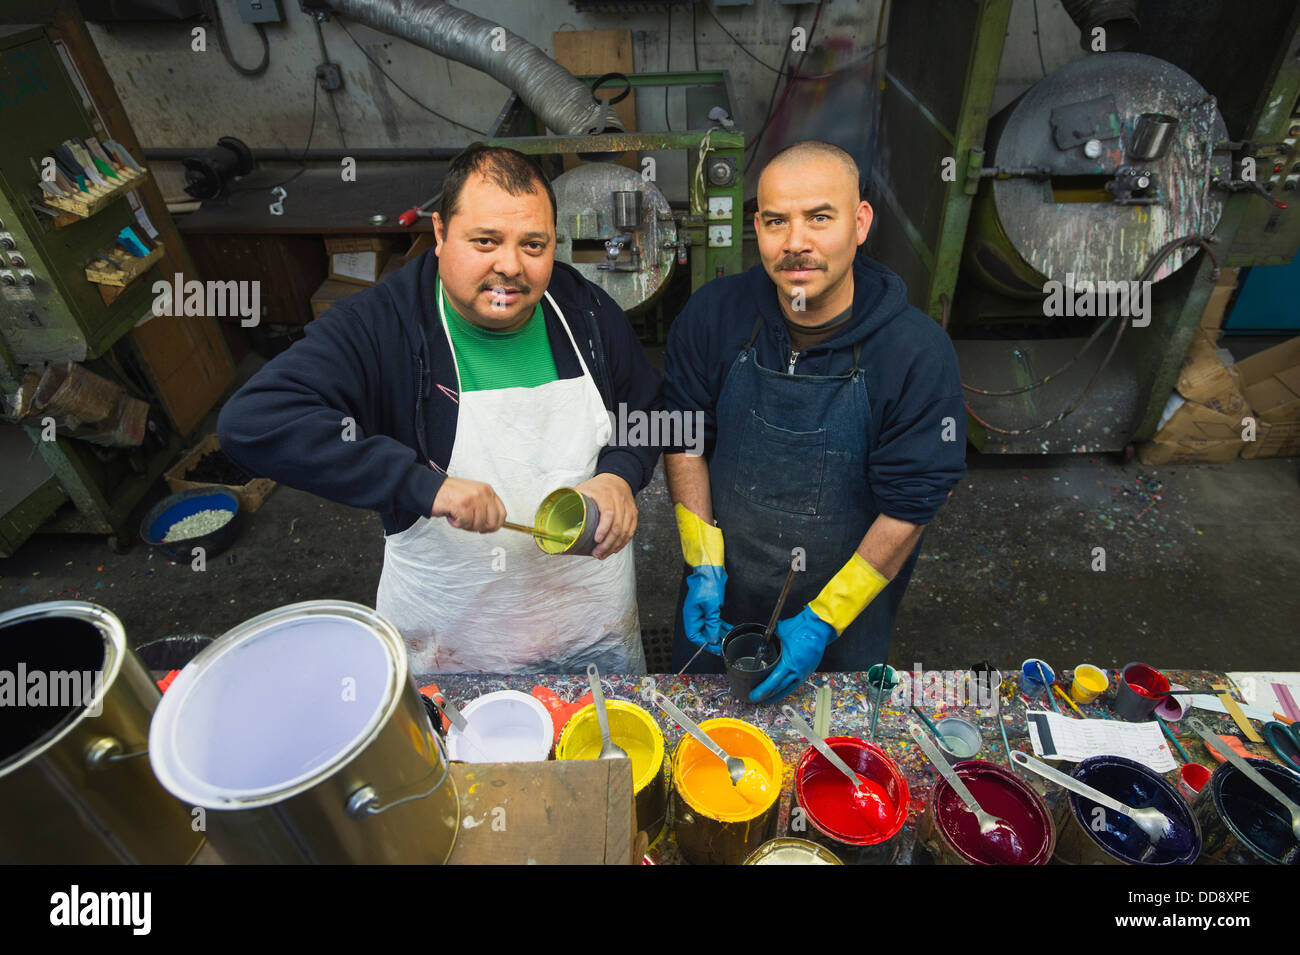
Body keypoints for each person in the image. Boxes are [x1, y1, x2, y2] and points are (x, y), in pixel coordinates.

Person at [218, 145, 663, 674]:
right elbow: (252, 421)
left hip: (595, 632)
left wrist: (621, 473)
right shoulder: (382, 325)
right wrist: (421, 485)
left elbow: (646, 408)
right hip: (456, 649)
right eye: (485, 241)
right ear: (439, 232)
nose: (511, 267)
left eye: (534, 245)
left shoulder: (584, 310)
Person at [663, 140, 965, 703]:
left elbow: (910, 506)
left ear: (860, 222)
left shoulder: (917, 353)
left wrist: (825, 620)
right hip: (720, 600)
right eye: (777, 221)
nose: (796, 243)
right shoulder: (712, 316)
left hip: (845, 615)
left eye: (819, 218)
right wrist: (702, 561)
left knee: (823, 750)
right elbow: (682, 440)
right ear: (757, 226)